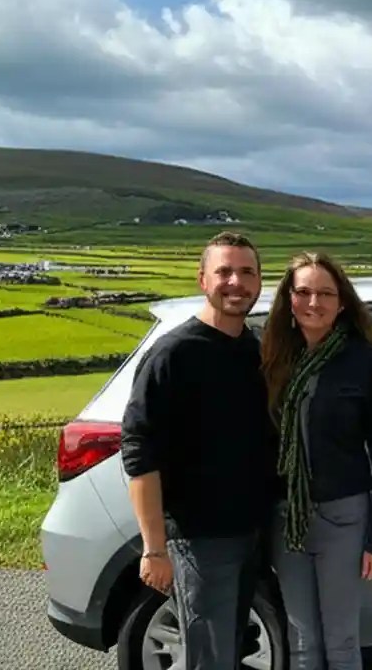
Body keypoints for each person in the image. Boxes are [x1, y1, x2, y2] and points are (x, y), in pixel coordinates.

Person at [119, 231, 276, 670]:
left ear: (260, 281)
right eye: (224, 271)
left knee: (228, 651)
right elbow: (138, 450)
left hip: (250, 533)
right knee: (208, 658)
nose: (236, 282)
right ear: (203, 279)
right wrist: (154, 548)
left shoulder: (256, 350)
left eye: (247, 272)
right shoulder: (174, 355)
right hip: (199, 537)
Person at [260, 251, 372, 670]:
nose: (313, 303)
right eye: (303, 292)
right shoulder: (274, 362)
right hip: (287, 518)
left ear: (342, 302)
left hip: (343, 517)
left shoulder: (367, 364)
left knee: (341, 641)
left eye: (325, 293)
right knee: (301, 641)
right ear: (289, 299)